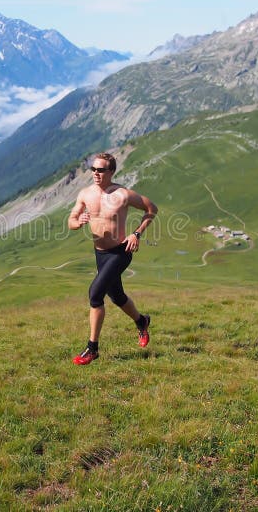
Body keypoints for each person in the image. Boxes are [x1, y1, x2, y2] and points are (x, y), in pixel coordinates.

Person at [68, 152, 158, 365]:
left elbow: (152, 209)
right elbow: (71, 221)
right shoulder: (85, 194)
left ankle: (92, 349)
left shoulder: (123, 195)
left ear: (111, 172)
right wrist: (78, 221)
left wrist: (136, 234)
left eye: (101, 170)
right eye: (93, 170)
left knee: (95, 295)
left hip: (121, 251)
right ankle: (142, 321)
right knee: (117, 296)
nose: (96, 174)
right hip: (100, 253)